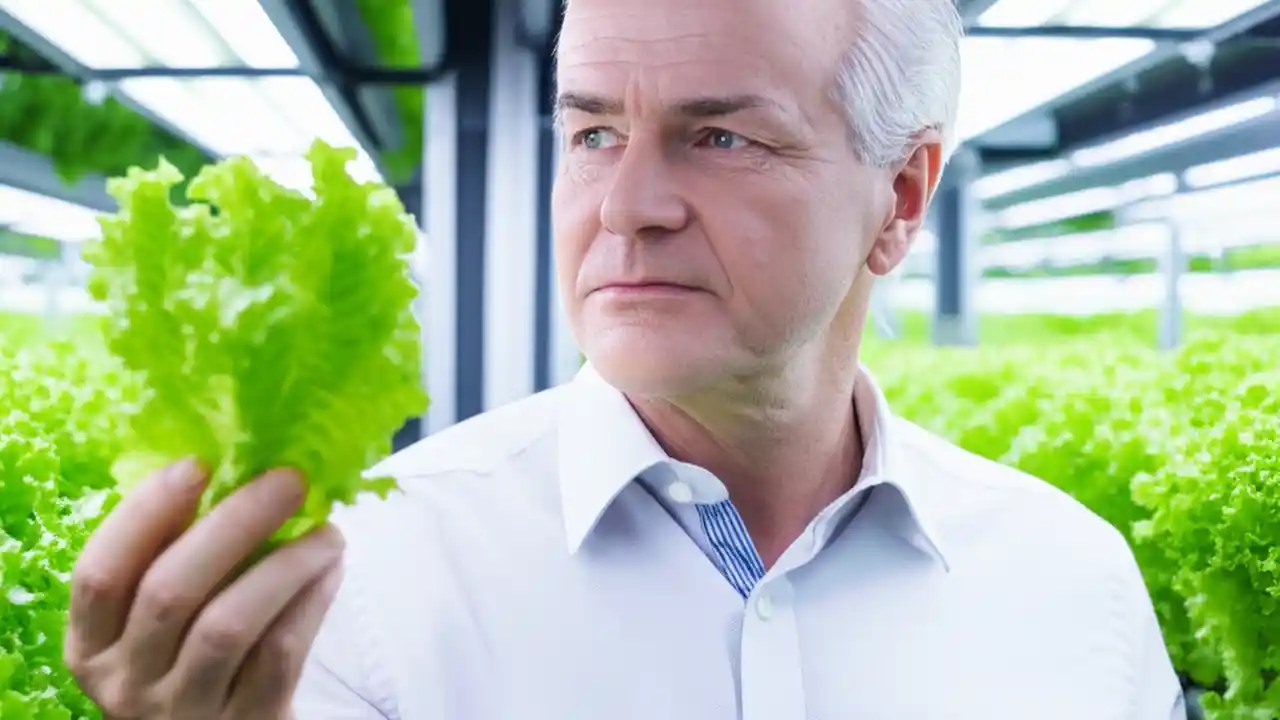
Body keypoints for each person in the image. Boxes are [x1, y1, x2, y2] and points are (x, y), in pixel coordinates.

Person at [64, 0, 1186, 717]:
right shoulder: (363, 583)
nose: (627, 208)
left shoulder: (1068, 583)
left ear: (898, 196)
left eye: (720, 138)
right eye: (593, 133)